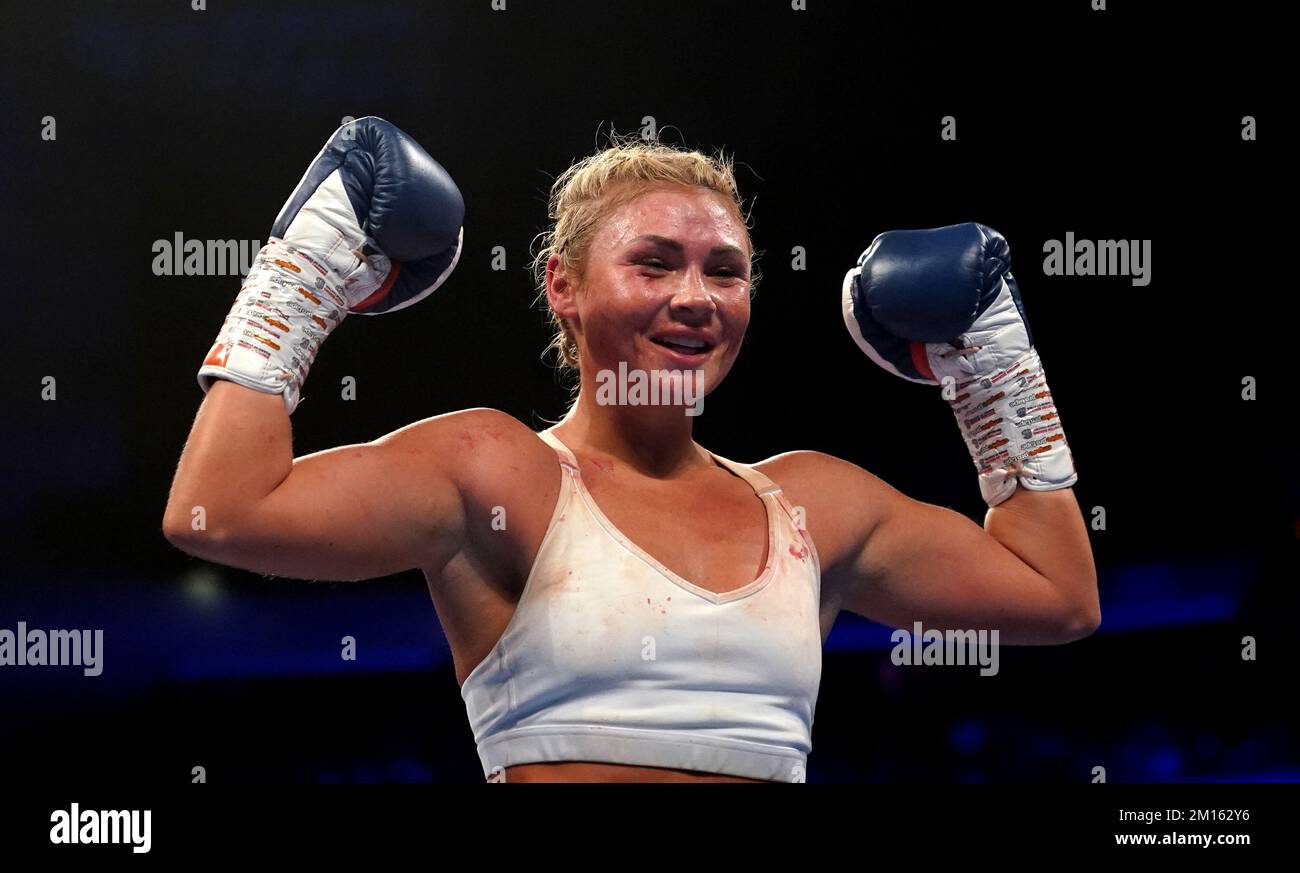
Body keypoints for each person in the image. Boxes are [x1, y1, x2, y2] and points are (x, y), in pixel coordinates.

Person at [163, 117, 1099, 783]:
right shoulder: (498, 474)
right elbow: (220, 510)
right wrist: (306, 274)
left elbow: (1058, 597)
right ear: (561, 286)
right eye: (654, 262)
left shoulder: (813, 504)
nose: (697, 295)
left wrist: (997, 376)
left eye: (724, 270)